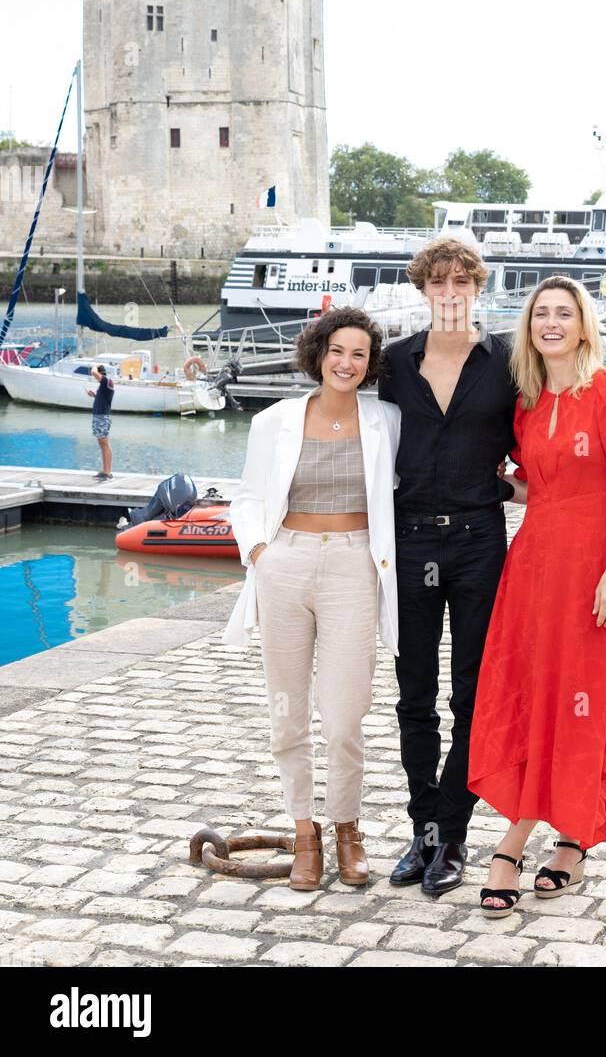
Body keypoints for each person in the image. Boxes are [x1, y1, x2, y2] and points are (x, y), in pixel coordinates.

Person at [468, 274, 606, 916]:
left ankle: (519, 840)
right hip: (535, 564)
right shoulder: (527, 401)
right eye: (540, 314)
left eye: (563, 314)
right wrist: (496, 483)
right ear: (529, 327)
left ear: (583, 324)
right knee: (531, 692)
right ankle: (566, 838)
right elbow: (540, 489)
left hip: (592, 565)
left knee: (581, 696)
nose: (551, 323)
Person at [223, 306, 401, 890]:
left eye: (359, 354)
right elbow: (248, 500)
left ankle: (347, 827)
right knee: (287, 713)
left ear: (370, 364)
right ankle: (305, 832)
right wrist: (259, 555)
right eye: (337, 351)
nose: (347, 363)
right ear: (318, 354)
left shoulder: (388, 421)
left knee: (346, 715)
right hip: (285, 564)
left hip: (355, 565)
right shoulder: (273, 421)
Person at [377, 237, 519, 895]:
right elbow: (361, 441)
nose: (451, 290)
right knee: (415, 697)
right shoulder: (396, 363)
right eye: (440, 281)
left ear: (477, 288)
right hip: (409, 542)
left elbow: (535, 445)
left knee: (470, 694)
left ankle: (454, 834)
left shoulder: (507, 362)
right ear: (424, 289)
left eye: (463, 280)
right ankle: (423, 832)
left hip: (477, 542)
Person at [85, 364, 114, 481]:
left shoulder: (106, 381)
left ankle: (107, 472)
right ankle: (104, 471)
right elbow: (104, 399)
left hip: (102, 417)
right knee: (102, 444)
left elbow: (93, 372)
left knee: (104, 443)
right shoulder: (103, 386)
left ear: (101, 374)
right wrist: (95, 396)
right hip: (99, 416)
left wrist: (95, 365)